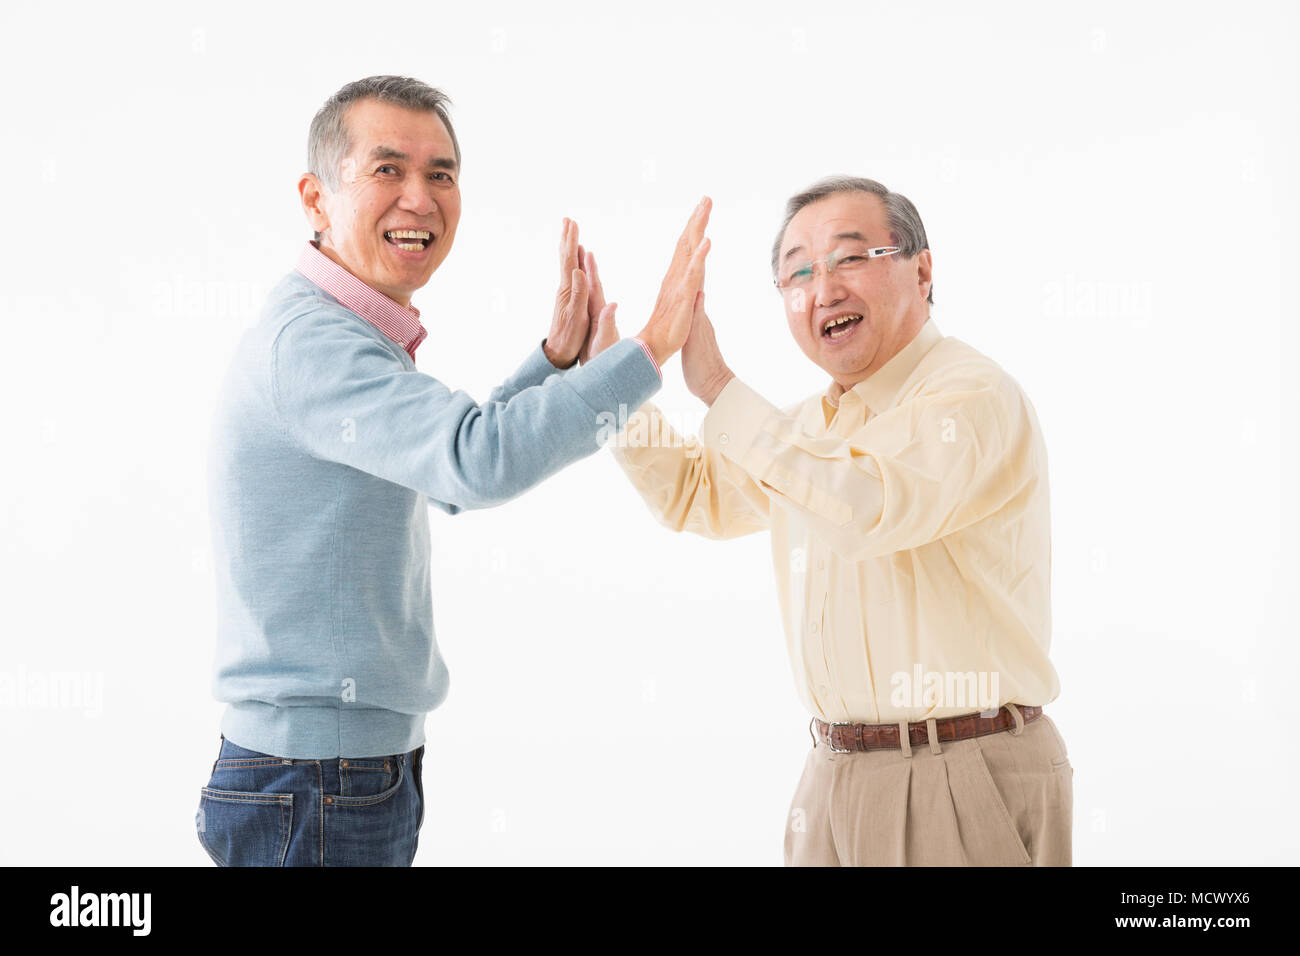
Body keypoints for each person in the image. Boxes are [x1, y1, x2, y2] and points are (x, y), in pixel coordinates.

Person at [196, 74, 709, 866]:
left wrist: (555, 365)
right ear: (315, 198)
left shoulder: (343, 335)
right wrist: (648, 353)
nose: (421, 197)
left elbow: (442, 469)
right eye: (388, 169)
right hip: (314, 779)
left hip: (331, 773)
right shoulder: (314, 347)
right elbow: (475, 462)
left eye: (442, 174)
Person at [592, 176, 1072, 866]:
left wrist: (719, 388)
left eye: (850, 258)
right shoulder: (809, 430)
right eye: (798, 273)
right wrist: (614, 382)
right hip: (831, 775)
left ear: (922, 270)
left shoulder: (970, 395)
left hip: (961, 771)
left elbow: (866, 505)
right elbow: (695, 493)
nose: (823, 289)